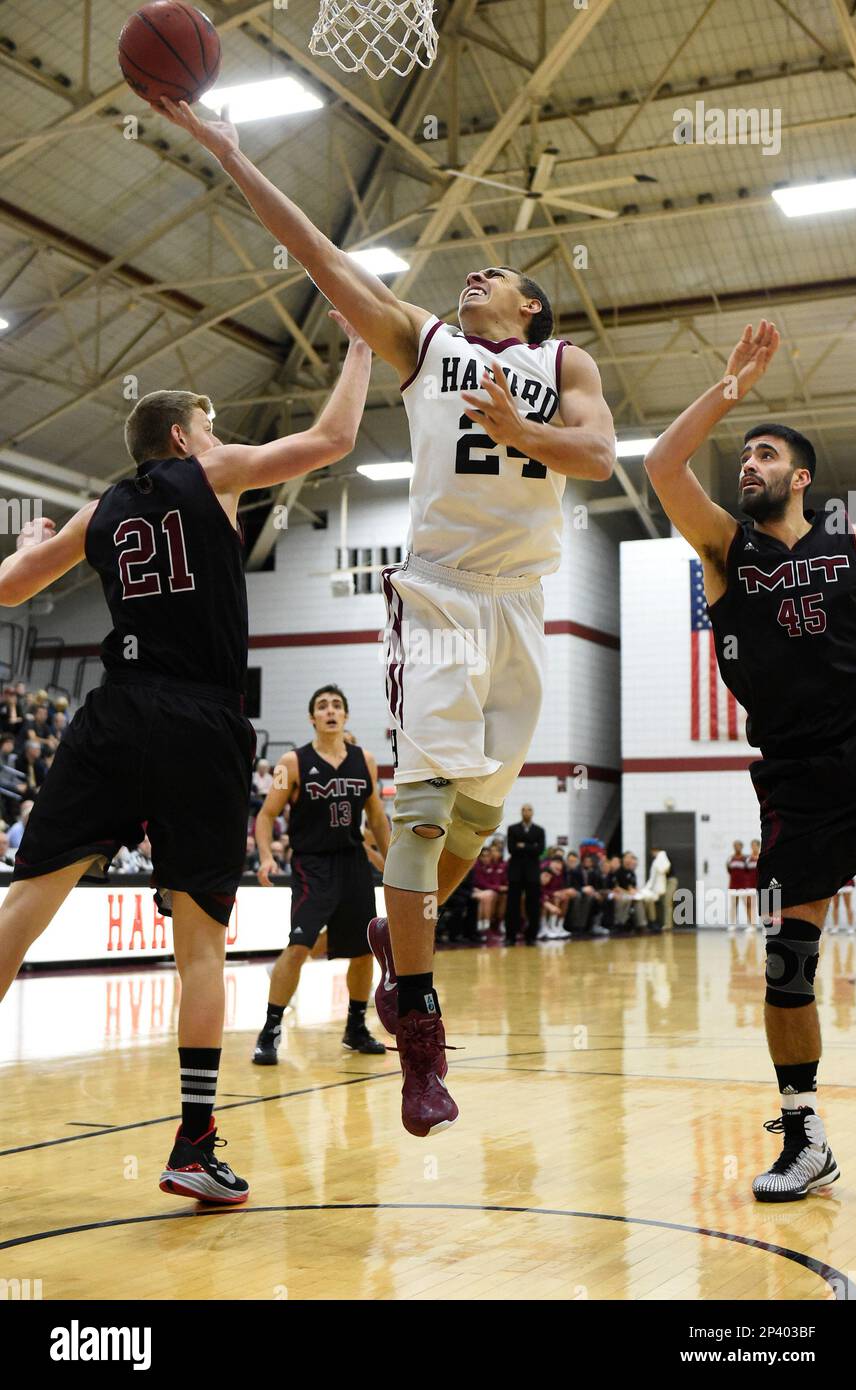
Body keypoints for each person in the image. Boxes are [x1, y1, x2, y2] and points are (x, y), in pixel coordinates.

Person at [156, 98, 616, 1139]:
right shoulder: (425, 339)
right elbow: (320, 255)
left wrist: (521, 428)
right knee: (414, 826)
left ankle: (393, 934)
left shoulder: (564, 366)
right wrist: (231, 151)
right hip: (442, 600)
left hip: (524, 612)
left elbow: (595, 456)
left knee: (456, 847)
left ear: (533, 308)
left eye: (496, 274)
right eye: (471, 272)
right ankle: (420, 1038)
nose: (475, 277)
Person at [0, 311, 372, 1205]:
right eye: (209, 424)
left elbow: (10, 590)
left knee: (26, 904)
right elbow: (335, 436)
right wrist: (359, 344)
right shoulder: (214, 474)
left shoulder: (101, 512)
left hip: (113, 714)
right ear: (182, 435)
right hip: (200, 723)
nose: (222, 436)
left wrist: (23, 545)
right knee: (200, 946)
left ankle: (196, 1144)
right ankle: (193, 1143)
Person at [644, 317, 846, 1201]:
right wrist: (728, 392)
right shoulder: (730, 552)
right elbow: (659, 467)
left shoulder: (851, 552)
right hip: (797, 771)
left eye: (765, 455)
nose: (748, 464)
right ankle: (804, 1137)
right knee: (787, 964)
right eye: (744, 456)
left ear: (800, 477)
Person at [252, 685, 391, 1061]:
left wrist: (393, 859)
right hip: (312, 864)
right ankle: (270, 1030)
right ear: (312, 718)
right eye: (322, 706)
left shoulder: (366, 760)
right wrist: (266, 856)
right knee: (299, 945)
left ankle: (356, 1028)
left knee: (364, 951)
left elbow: (376, 816)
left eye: (336, 705)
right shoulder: (291, 763)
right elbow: (266, 815)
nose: (330, 710)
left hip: (353, 864)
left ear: (345, 716)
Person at [505, 806, 546, 945]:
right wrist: (531, 846)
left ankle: (532, 936)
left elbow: (540, 850)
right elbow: (511, 849)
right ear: (521, 812)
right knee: (512, 906)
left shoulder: (539, 830)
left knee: (533, 905)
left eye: (529, 810)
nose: (526, 812)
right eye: (524, 809)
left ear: (532, 812)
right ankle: (510, 936)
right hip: (515, 873)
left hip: (532, 874)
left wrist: (523, 845)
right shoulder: (512, 828)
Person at [641, 846, 671, 930]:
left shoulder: (661, 857)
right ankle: (653, 922)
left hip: (665, 884)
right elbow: (653, 878)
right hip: (658, 887)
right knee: (654, 902)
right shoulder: (656, 861)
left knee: (666, 903)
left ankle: (664, 924)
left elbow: (665, 868)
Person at [726, 839, 748, 930]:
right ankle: (732, 925)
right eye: (735, 846)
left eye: (738, 845)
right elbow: (728, 870)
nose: (736, 847)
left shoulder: (746, 858)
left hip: (743, 885)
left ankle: (750, 924)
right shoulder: (730, 858)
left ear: (742, 847)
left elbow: (748, 871)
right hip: (733, 885)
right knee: (733, 905)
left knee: (747, 904)